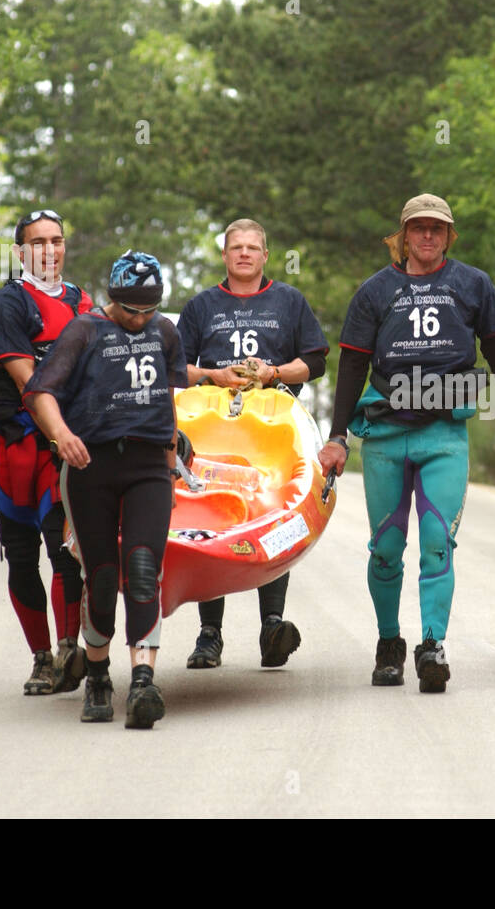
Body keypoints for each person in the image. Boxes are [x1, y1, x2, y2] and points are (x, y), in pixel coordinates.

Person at [317, 194, 495, 692]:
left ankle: (432, 645)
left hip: (444, 434)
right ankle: (389, 643)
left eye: (437, 229)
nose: (427, 236)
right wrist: (336, 437)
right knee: (386, 548)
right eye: (418, 228)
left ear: (448, 236)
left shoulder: (472, 284)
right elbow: (353, 365)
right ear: (402, 235)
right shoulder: (375, 292)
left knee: (438, 543)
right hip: (385, 435)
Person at [23, 250, 187, 728]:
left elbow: (167, 399)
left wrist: (172, 458)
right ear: (113, 299)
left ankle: (143, 683)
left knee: (142, 569)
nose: (139, 319)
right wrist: (62, 435)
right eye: (130, 310)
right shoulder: (85, 331)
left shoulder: (165, 332)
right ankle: (97, 673)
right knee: (99, 578)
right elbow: (40, 392)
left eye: (147, 310)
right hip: (90, 465)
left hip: (148, 466)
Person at [177, 218, 329, 670]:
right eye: (236, 247)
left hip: (272, 428)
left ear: (265, 255)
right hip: (212, 428)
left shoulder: (288, 300)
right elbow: (175, 366)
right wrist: (213, 375)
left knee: (271, 512)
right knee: (218, 514)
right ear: (224, 256)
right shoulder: (201, 305)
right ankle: (209, 636)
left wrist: (274, 373)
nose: (244, 254)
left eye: (253, 247)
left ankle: (272, 625)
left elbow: (315, 362)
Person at [0, 208, 90, 695]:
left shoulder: (83, 302)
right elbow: (28, 380)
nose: (50, 250)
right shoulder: (7, 305)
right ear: (21, 252)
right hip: (15, 443)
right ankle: (40, 659)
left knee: (65, 550)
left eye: (57, 240)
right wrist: (58, 429)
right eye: (39, 242)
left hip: (63, 445)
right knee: (21, 555)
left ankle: (68, 652)